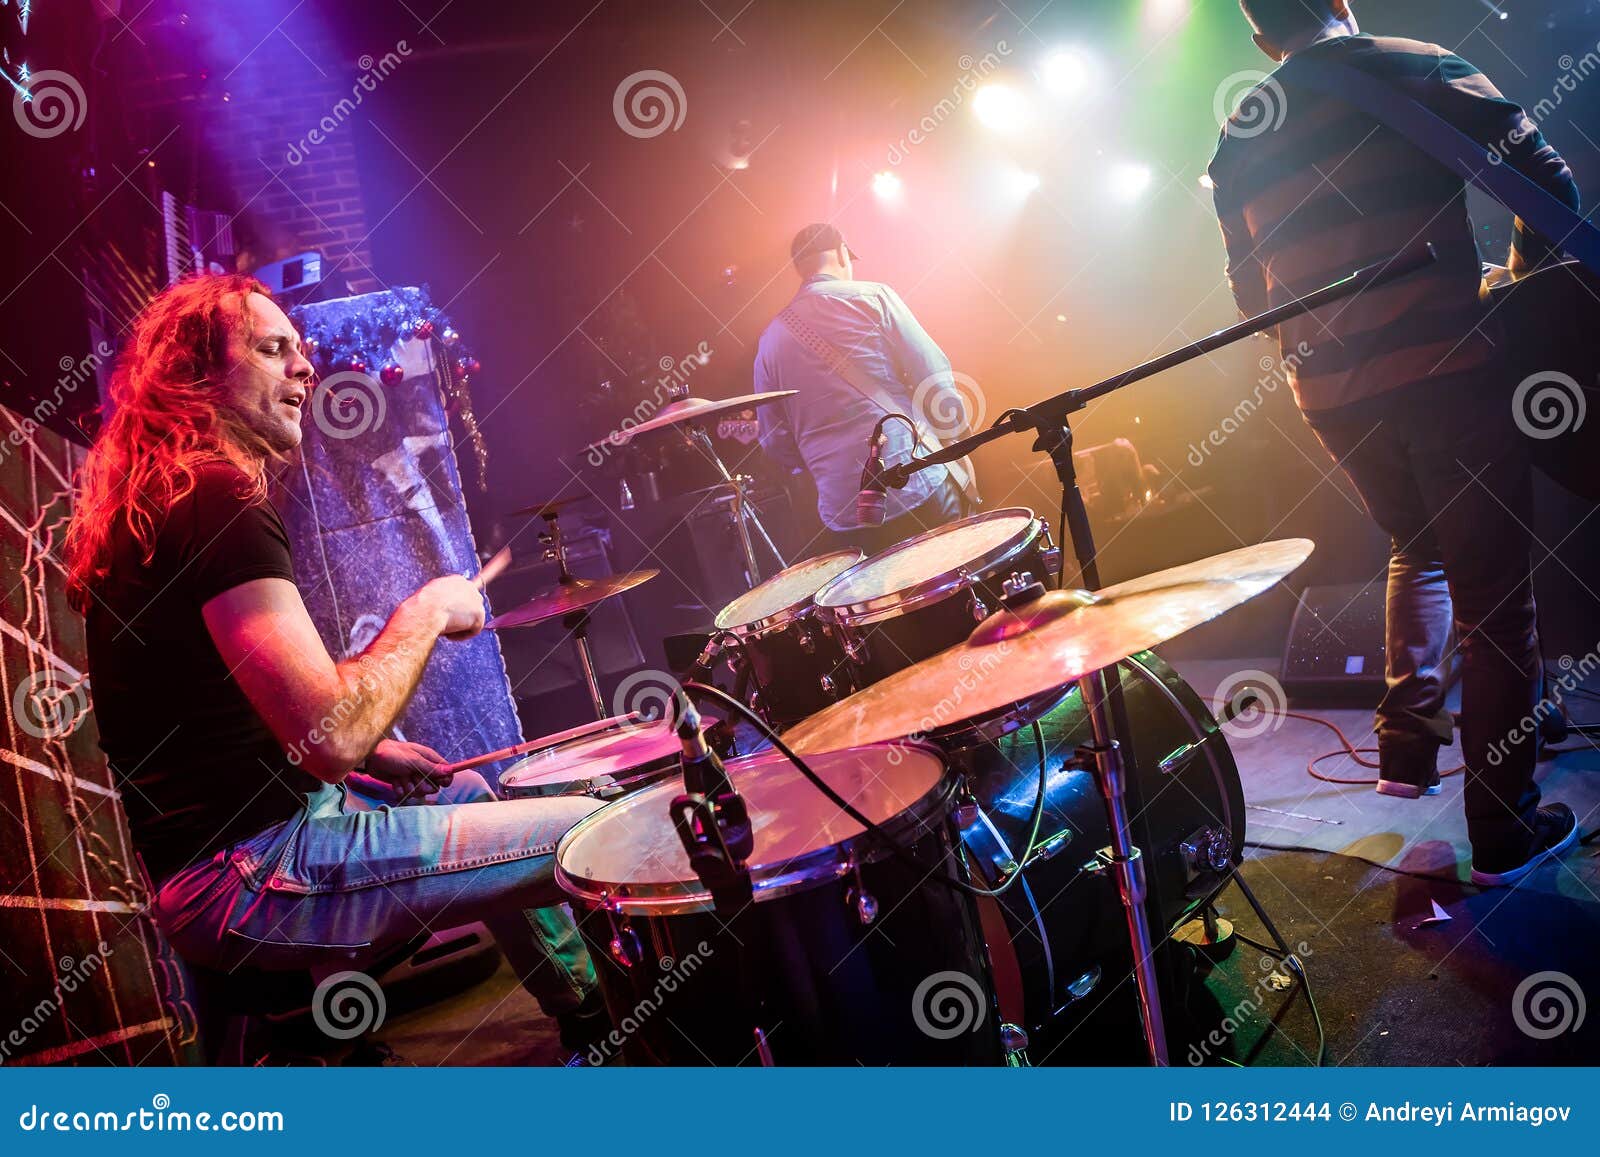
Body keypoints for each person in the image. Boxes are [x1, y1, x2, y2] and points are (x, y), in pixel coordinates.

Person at [65, 273, 606, 1051]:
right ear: (198, 375)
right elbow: (327, 733)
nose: (304, 369)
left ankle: (584, 1014)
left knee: (464, 787)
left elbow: (222, 713)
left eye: (301, 350)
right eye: (272, 348)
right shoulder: (217, 497)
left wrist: (374, 756)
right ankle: (619, 1027)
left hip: (228, 858)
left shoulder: (166, 494)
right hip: (249, 876)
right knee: (597, 828)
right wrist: (424, 610)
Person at [1208, 0, 1582, 884]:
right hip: (1446, 375)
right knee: (1497, 604)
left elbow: (1249, 299)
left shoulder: (1236, 136)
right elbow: (1549, 187)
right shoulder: (1415, 63)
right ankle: (1503, 826)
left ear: (1262, 38)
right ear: (1340, 2)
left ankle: (1406, 753)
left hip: (1330, 396)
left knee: (1418, 545)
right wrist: (1515, 291)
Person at [754, 222, 979, 556]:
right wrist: (956, 431)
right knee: (959, 578)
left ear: (799, 268)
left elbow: (773, 439)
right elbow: (932, 374)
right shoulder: (875, 297)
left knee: (884, 604)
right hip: (913, 479)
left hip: (845, 510)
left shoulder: (770, 341)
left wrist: (819, 466)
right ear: (843, 253)